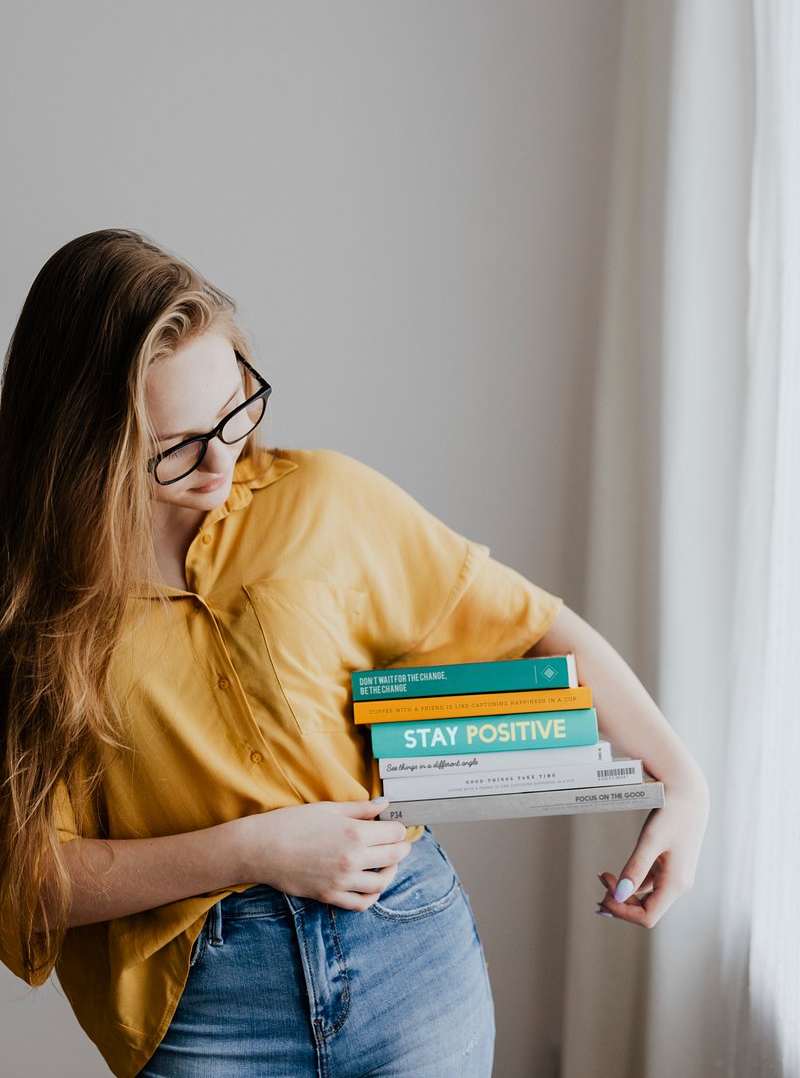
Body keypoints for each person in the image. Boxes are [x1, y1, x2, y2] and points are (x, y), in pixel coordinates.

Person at [0, 229, 709, 1078]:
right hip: (206, 1012)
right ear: (87, 442)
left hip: (410, 956)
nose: (222, 458)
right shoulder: (33, 610)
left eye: (235, 410)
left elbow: (534, 626)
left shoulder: (326, 500)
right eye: (180, 444)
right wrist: (252, 849)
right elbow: (30, 878)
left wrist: (687, 784)